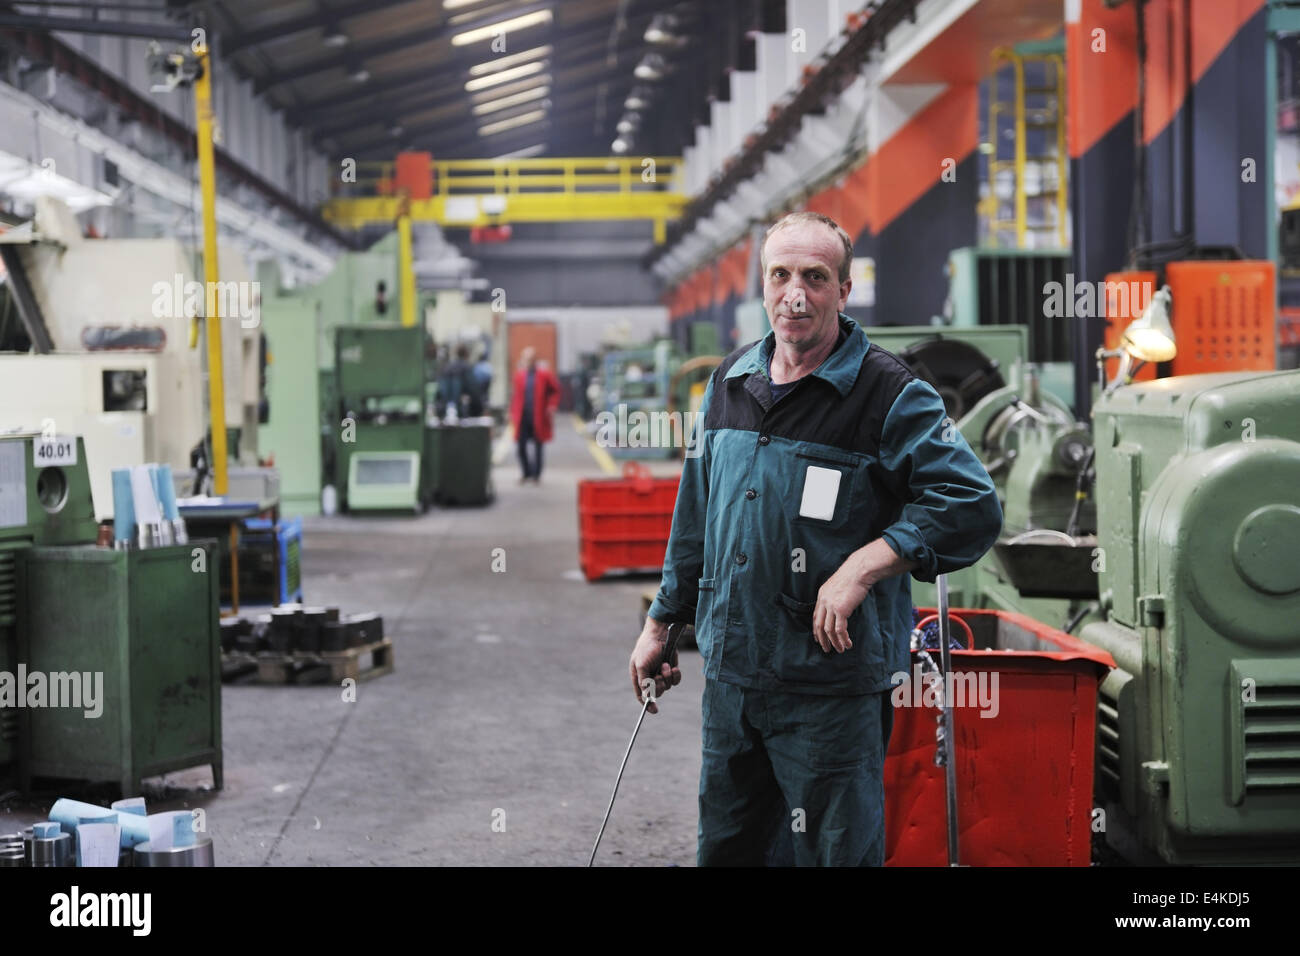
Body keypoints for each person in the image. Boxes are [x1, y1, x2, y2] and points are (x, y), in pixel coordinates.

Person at [629, 211, 1003, 867]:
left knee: (835, 855)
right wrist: (663, 621)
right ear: (763, 285)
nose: (795, 294)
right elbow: (695, 520)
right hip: (734, 681)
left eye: (815, 277)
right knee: (729, 849)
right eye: (780, 275)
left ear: (843, 289)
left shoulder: (891, 394)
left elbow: (971, 502)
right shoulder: (729, 383)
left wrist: (866, 564)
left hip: (829, 693)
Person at [509, 347, 560, 484]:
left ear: (535, 360)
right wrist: (512, 413)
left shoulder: (544, 375)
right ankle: (526, 472)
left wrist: (551, 405)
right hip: (523, 416)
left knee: (538, 447)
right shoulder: (519, 376)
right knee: (520, 447)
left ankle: (536, 475)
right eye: (527, 358)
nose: (529, 361)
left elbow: (554, 391)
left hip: (538, 416)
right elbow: (515, 397)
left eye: (531, 358)